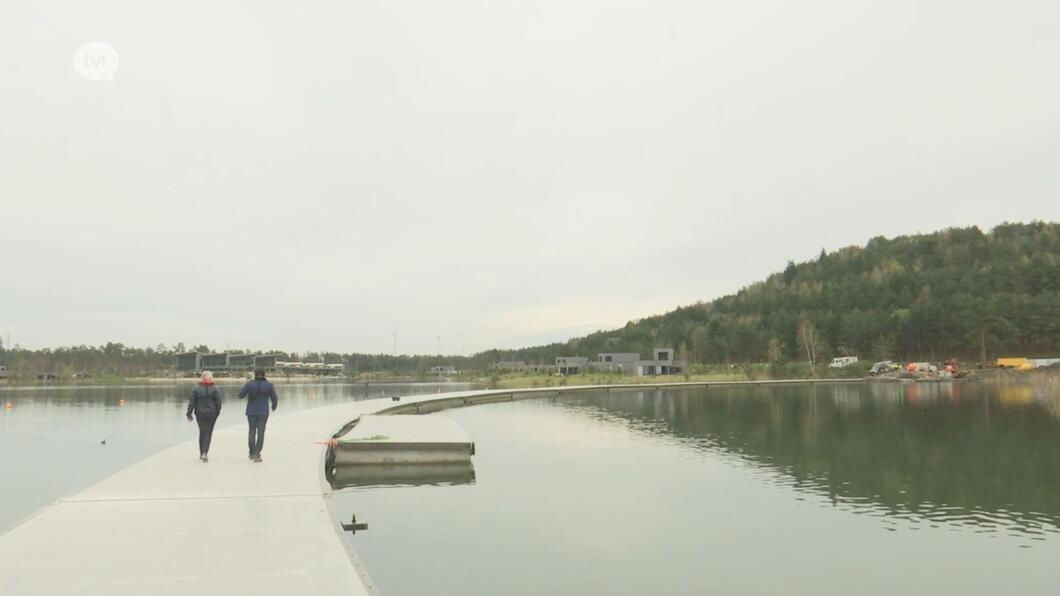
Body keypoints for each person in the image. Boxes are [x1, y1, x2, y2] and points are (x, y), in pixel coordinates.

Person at [239, 367, 277, 462]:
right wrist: (273, 406)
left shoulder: (249, 384)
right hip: (263, 412)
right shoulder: (269, 385)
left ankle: (251, 452)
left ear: (255, 374)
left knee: (252, 432)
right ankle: (257, 453)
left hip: (251, 412)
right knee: (261, 433)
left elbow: (240, 395)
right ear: (264, 374)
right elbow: (274, 398)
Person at [186, 371, 222, 462]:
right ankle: (205, 453)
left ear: (202, 378)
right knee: (208, 433)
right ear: (210, 378)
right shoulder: (215, 389)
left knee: (202, 432)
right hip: (212, 414)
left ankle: (201, 452)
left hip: (200, 414)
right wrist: (217, 413)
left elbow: (191, 402)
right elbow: (219, 403)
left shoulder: (196, 389)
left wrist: (189, 413)